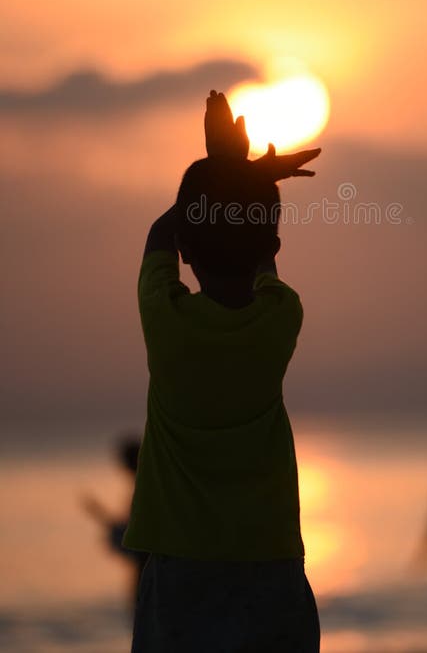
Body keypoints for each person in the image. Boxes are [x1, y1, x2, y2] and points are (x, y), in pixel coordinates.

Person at [123, 90, 322, 652]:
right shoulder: (281, 317)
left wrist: (229, 171)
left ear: (185, 251)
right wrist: (241, 176)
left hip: (181, 574)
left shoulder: (164, 319)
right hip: (271, 564)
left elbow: (160, 232)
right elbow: (260, 258)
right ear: (273, 245)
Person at [82, 436, 149, 610]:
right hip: (148, 566)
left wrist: (100, 515)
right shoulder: (144, 486)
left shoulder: (144, 489)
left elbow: (133, 534)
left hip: (148, 566)